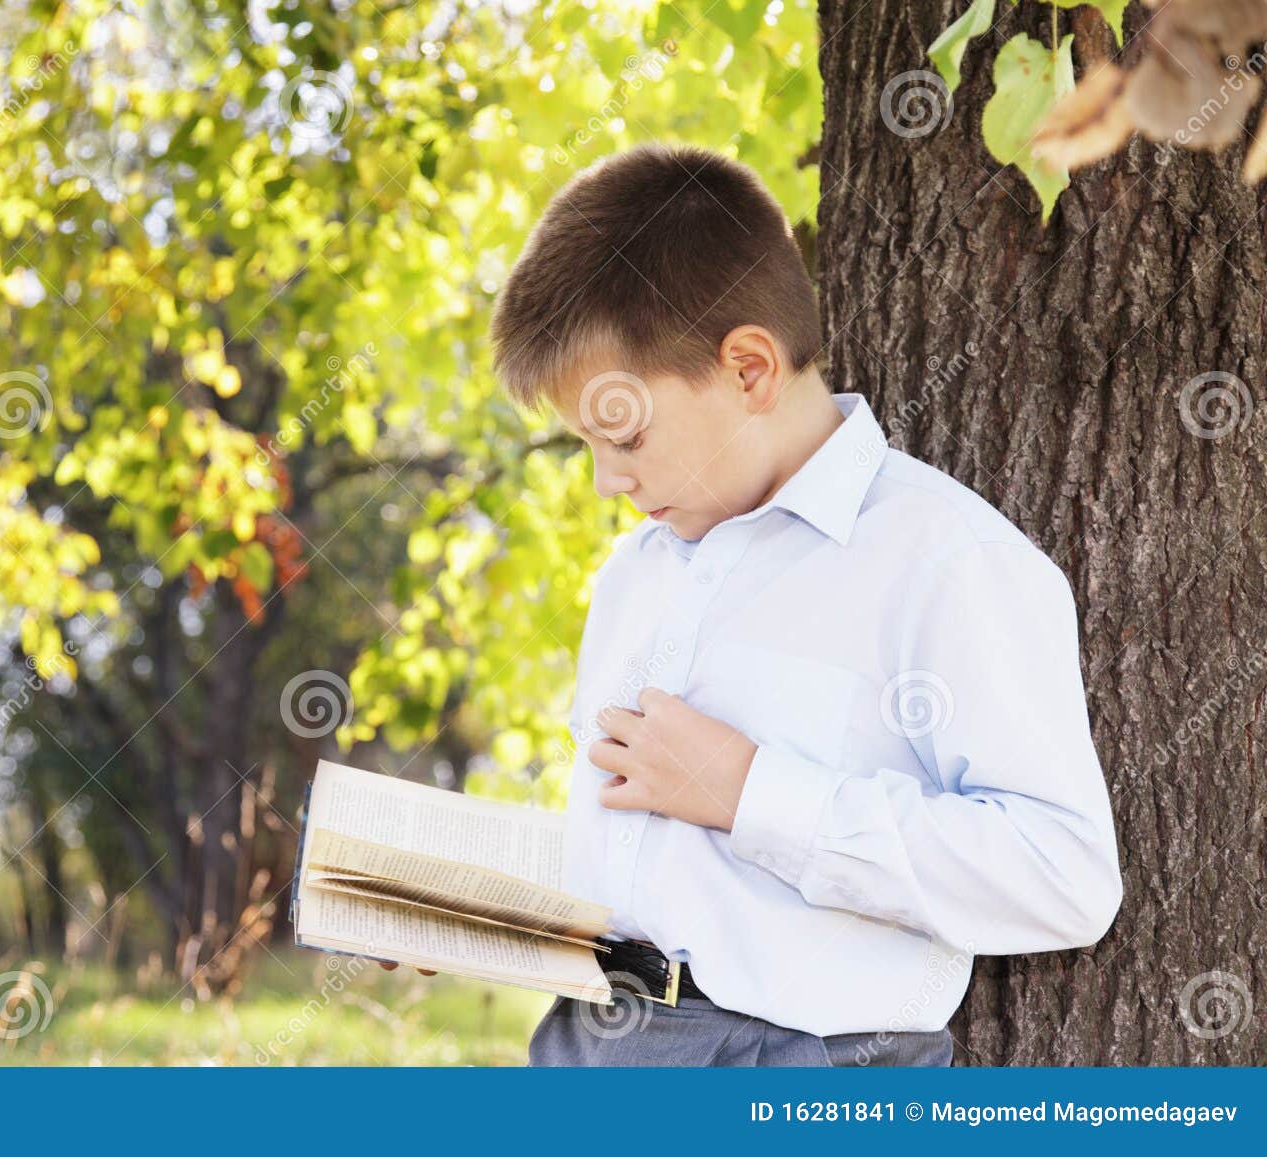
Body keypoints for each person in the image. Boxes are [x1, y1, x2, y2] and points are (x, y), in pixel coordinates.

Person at [461, 142, 1122, 1066]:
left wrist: (749, 793)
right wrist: (455, 917)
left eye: (628, 437)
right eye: (588, 446)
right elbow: (640, 865)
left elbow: (1065, 874)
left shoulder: (945, 560)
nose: (608, 481)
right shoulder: (635, 574)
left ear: (749, 371)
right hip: (590, 1043)